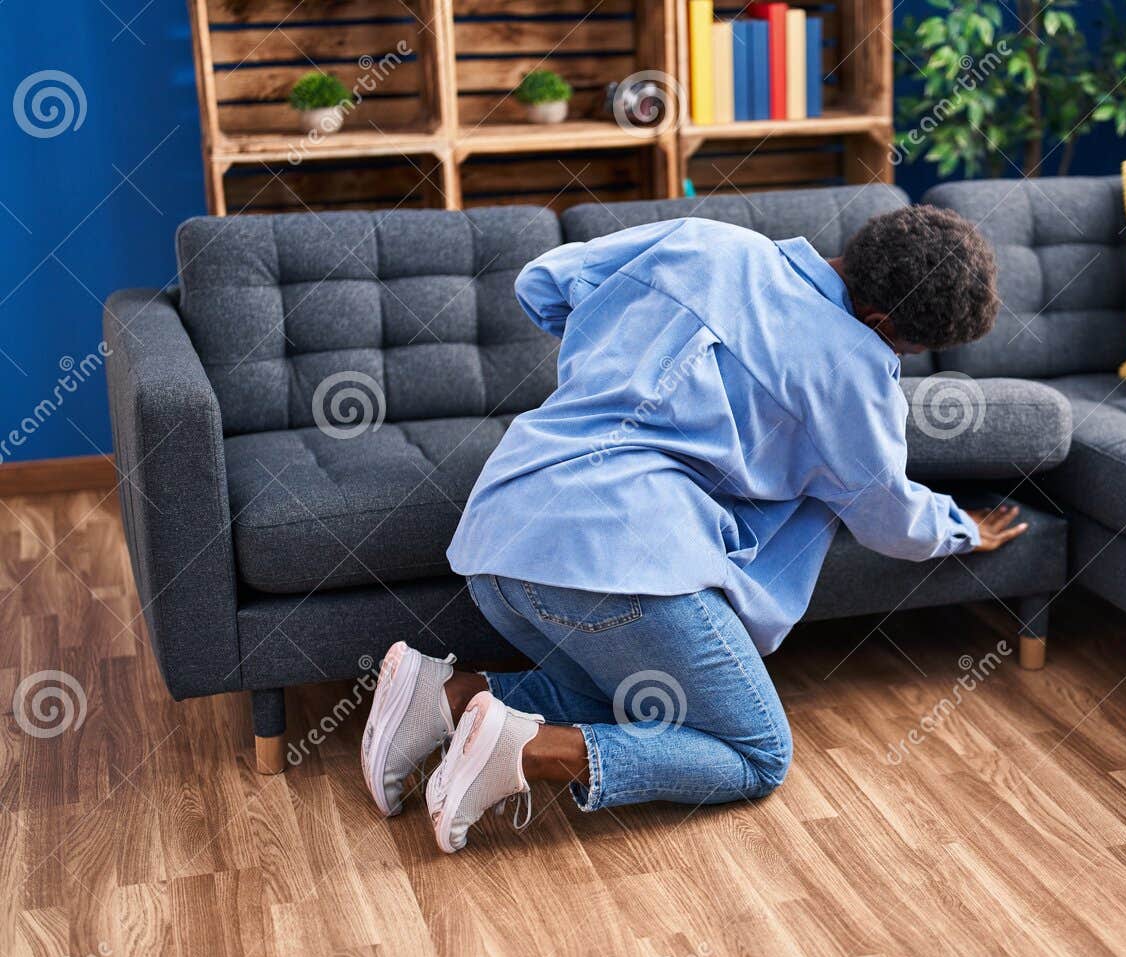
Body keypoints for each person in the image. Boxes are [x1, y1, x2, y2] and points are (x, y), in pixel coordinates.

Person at [360, 205, 1026, 854]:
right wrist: (960, 528)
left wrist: (617, 360)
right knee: (757, 752)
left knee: (636, 696)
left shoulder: (706, 240)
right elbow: (889, 516)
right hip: (613, 563)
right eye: (908, 348)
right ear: (880, 321)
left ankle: (445, 696)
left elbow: (542, 282)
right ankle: (525, 750)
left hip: (498, 536)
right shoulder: (854, 364)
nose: (899, 356)